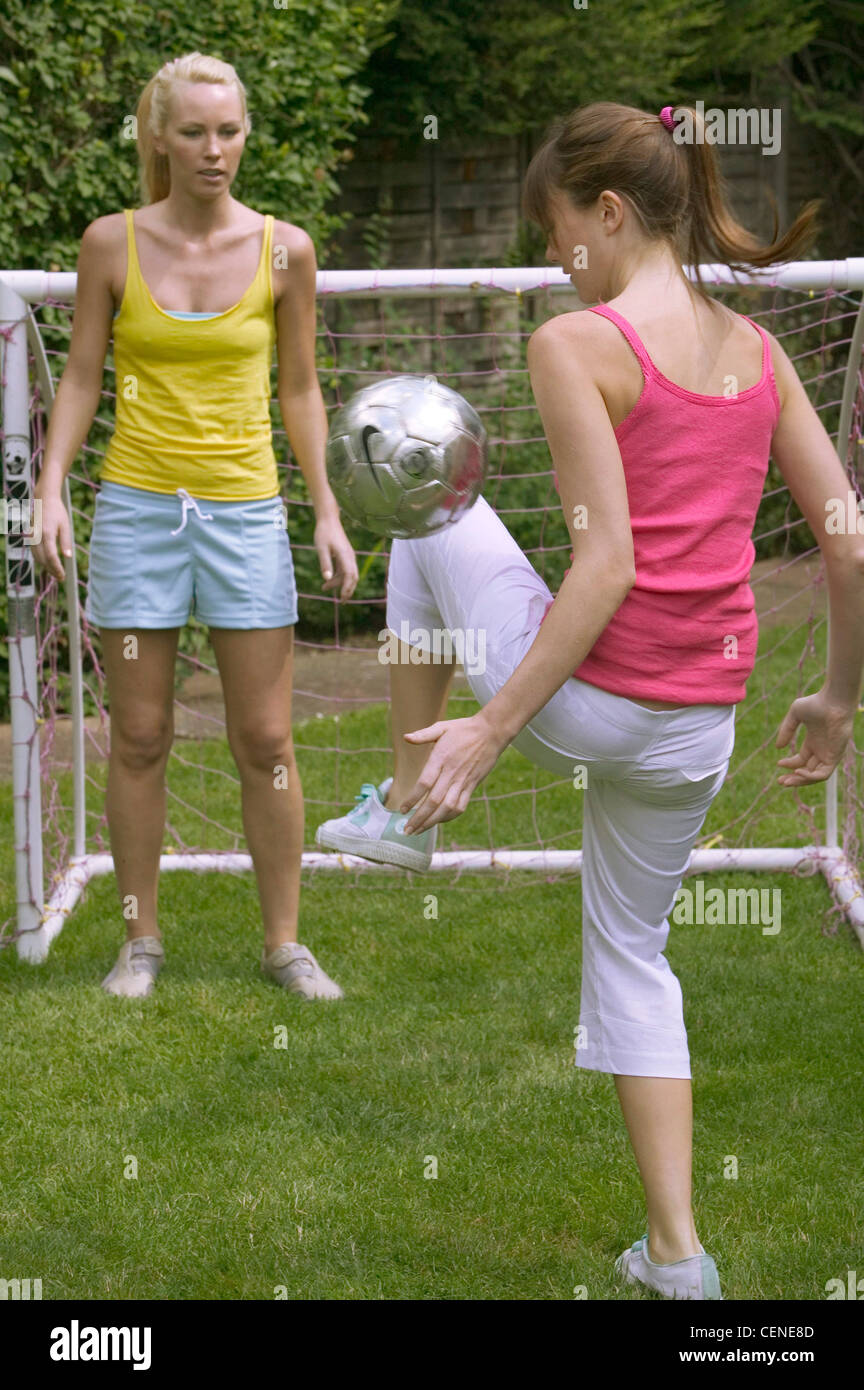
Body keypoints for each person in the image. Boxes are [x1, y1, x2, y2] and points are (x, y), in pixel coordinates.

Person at [314, 102, 864, 1298]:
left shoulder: (577, 342)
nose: (555, 258)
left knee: (431, 501)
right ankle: (680, 1260)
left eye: (558, 233)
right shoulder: (759, 354)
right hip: (696, 733)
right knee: (634, 954)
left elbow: (605, 561)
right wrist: (833, 699)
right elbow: (850, 540)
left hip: (590, 703)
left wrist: (489, 727)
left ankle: (407, 802)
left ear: (609, 212)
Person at [33, 52, 358, 1002]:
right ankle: (140, 943)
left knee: (267, 740)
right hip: (137, 514)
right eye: (194, 132)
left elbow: (299, 387)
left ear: (245, 135)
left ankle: (284, 945)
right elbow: (84, 376)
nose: (214, 151)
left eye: (229, 131)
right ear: (158, 138)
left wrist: (326, 506)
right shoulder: (111, 243)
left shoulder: (285, 250)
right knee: (138, 736)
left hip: (247, 515)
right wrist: (51, 487)